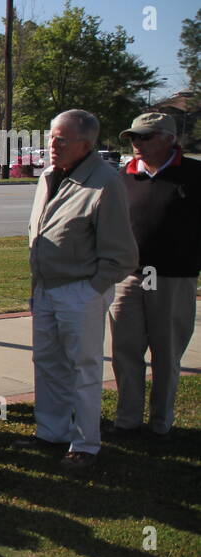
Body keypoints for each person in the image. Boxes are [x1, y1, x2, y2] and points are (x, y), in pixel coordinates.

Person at [20, 109, 137, 469]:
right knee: (48, 363)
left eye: (61, 139)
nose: (51, 145)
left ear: (85, 145)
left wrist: (91, 291)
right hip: (46, 289)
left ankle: (85, 442)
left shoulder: (105, 183)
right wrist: (37, 286)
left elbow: (122, 255)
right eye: (51, 137)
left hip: (80, 291)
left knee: (83, 368)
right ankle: (51, 431)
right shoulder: (50, 176)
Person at [107, 113, 201, 438]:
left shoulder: (194, 175)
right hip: (129, 277)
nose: (137, 143)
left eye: (145, 137)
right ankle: (127, 420)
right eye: (134, 137)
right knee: (125, 350)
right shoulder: (123, 177)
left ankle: (160, 423)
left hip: (173, 278)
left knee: (167, 353)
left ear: (169, 138)